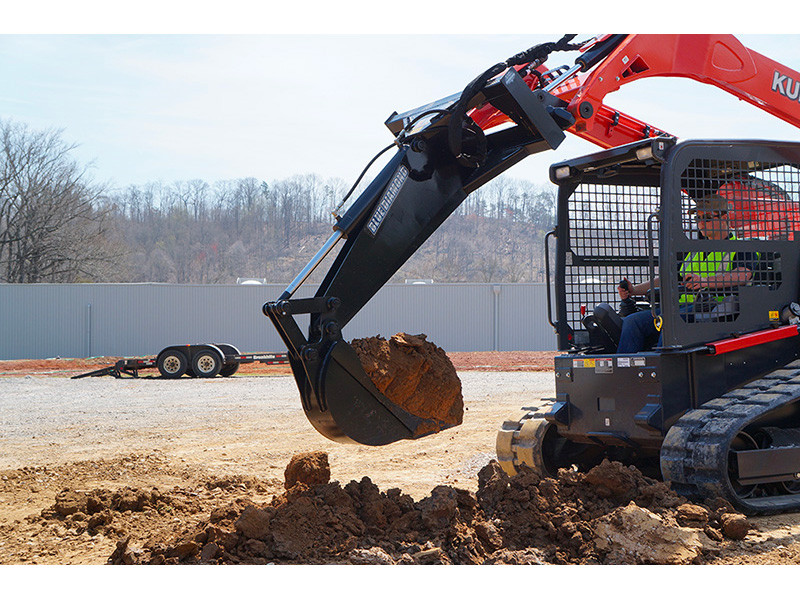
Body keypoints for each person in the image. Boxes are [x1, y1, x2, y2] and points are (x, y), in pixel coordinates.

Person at [616, 195, 755, 353]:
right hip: (682, 308)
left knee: (670, 322)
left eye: (707, 218)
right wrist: (634, 290)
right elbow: (668, 278)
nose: (701, 222)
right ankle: (624, 368)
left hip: (713, 308)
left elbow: (743, 275)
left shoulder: (742, 247)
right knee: (632, 322)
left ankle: (663, 369)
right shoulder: (694, 250)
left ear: (724, 217)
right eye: (698, 218)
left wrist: (705, 282)